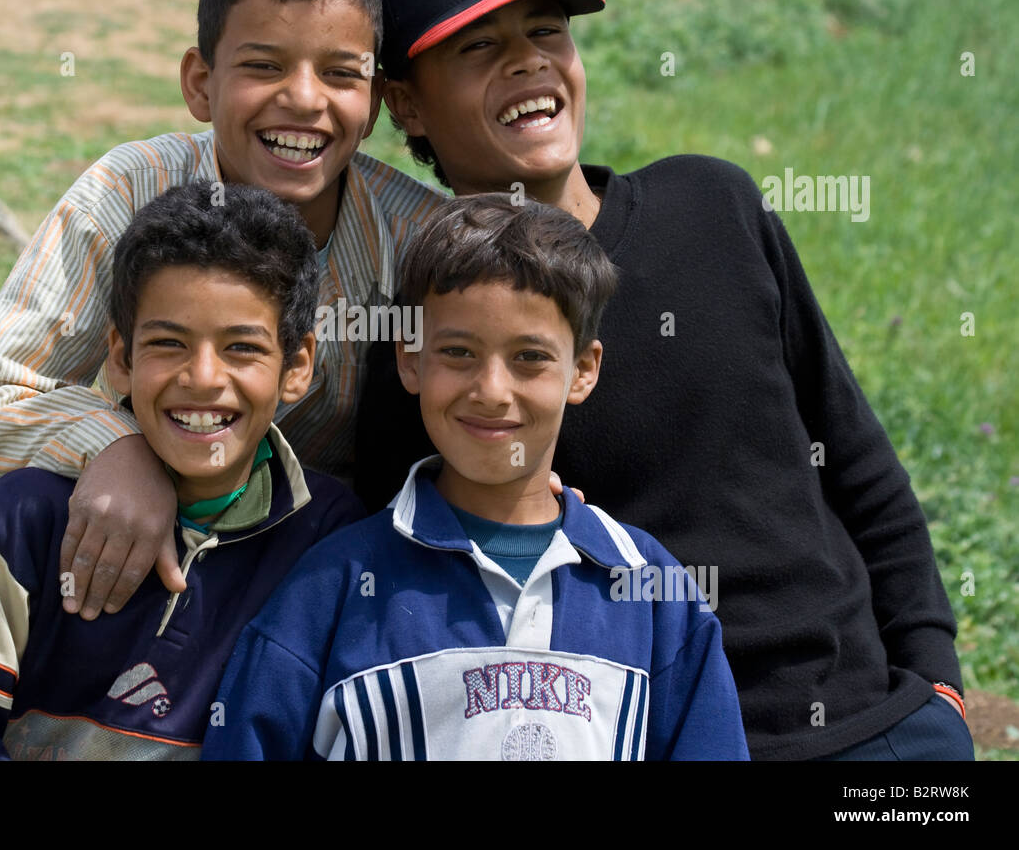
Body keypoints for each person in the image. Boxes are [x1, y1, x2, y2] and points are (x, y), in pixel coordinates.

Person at [354, 0, 973, 760]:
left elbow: (856, 461)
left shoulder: (713, 206)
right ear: (406, 103)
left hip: (876, 727)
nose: (529, 60)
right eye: (478, 47)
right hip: (651, 736)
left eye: (547, 31)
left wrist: (936, 680)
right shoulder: (433, 330)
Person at [0, 0, 444, 622]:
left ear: (375, 100)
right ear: (201, 83)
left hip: (310, 589)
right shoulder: (127, 192)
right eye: (263, 66)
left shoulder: (419, 240)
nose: (304, 99)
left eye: (340, 74)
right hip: (124, 567)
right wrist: (114, 445)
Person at [203, 195, 747, 761]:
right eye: (458, 352)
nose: (491, 390)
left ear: (583, 370)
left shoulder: (650, 588)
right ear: (410, 359)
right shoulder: (331, 588)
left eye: (530, 357)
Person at [0, 182, 365, 759]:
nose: (202, 378)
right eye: (168, 343)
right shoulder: (20, 522)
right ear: (120, 356)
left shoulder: (331, 540)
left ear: (297, 366)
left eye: (242, 348)